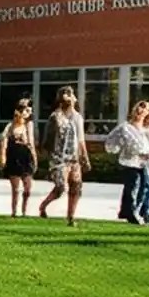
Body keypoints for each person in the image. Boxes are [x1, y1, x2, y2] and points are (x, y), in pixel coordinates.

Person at [37, 85, 89, 226]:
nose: (71, 99)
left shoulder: (78, 117)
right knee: (61, 187)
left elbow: (81, 139)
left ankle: (71, 217)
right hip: (59, 157)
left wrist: (85, 157)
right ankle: (43, 205)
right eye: (67, 95)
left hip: (74, 157)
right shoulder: (55, 116)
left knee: (76, 186)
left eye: (71, 95)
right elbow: (48, 138)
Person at [107, 101, 149, 225]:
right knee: (133, 186)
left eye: (143, 110)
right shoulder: (125, 128)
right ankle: (131, 212)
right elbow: (111, 142)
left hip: (143, 163)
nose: (140, 112)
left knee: (143, 187)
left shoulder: (146, 129)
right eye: (138, 109)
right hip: (130, 162)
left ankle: (126, 210)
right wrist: (118, 148)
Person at [0, 98, 37, 217]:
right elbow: (4, 142)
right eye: (26, 110)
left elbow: (31, 143)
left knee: (27, 188)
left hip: (26, 158)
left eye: (30, 111)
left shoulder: (29, 125)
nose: (28, 113)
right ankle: (14, 212)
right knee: (15, 189)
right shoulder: (10, 126)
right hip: (14, 158)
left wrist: (35, 158)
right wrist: (3, 157)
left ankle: (24, 211)